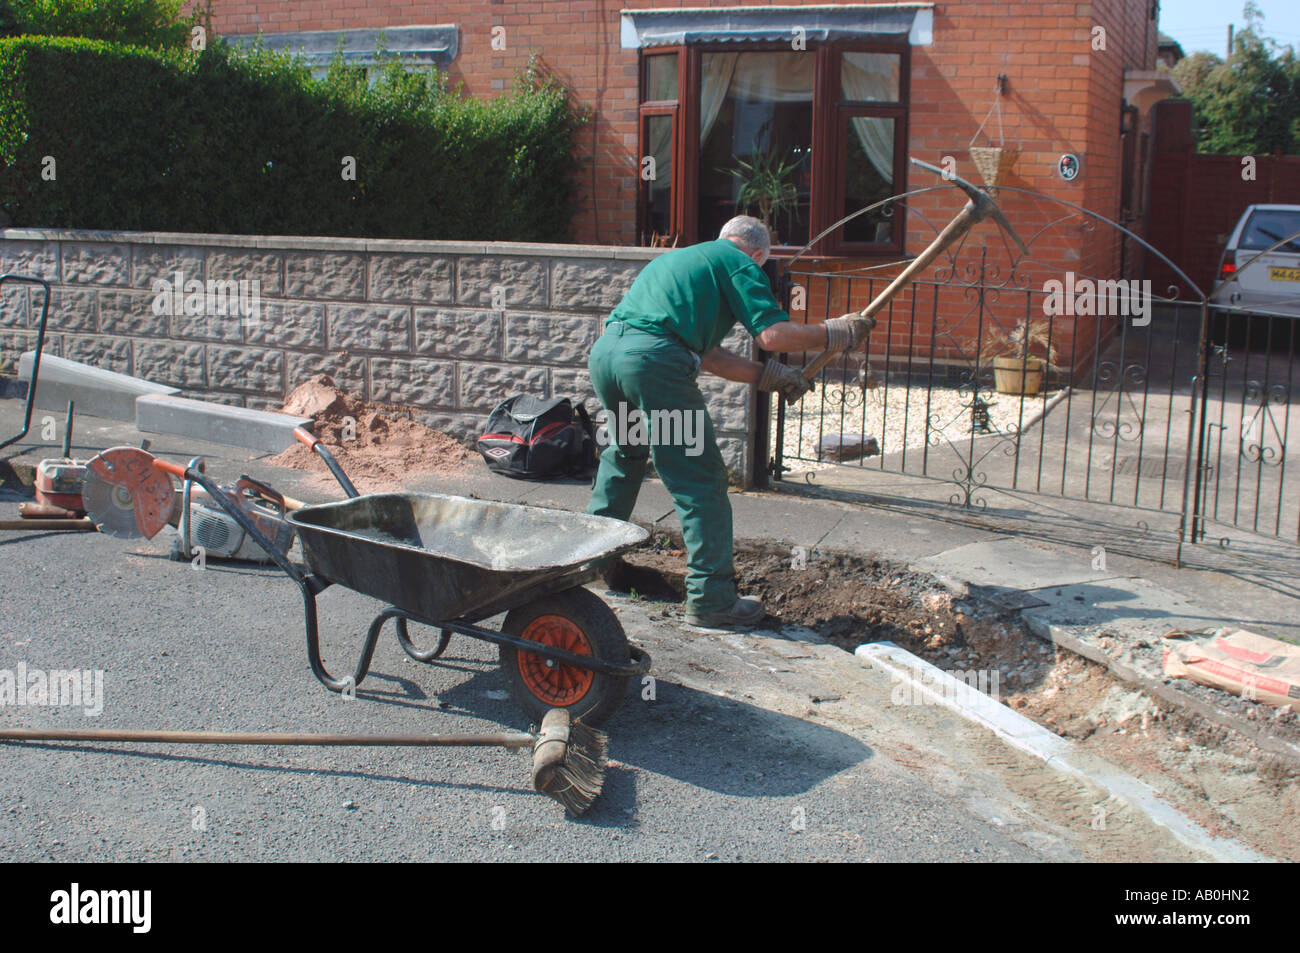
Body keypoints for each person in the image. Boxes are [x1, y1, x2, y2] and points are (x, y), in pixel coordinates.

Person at [587, 215, 870, 628]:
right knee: (698, 478)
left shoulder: (682, 261)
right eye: (762, 264)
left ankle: (592, 565)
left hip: (609, 360)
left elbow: (712, 357)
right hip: (653, 370)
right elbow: (771, 335)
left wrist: (770, 376)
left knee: (626, 454)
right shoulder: (739, 263)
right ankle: (712, 599)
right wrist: (834, 332)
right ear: (757, 254)